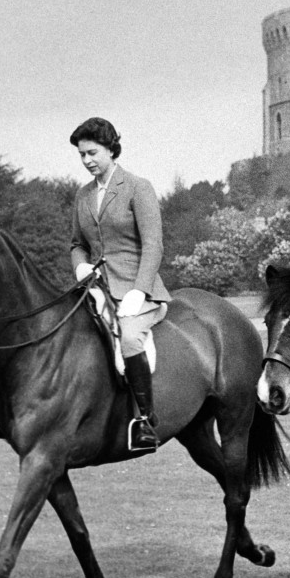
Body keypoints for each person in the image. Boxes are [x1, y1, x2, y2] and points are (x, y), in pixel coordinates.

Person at [69, 117, 171, 453]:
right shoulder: (82, 196)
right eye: (82, 155)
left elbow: (153, 245)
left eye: (92, 152)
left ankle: (145, 421)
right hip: (96, 287)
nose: (87, 161)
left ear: (112, 149)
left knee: (129, 338)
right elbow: (76, 243)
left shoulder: (137, 187)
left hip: (137, 289)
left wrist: (139, 291)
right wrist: (81, 264)